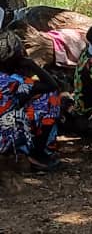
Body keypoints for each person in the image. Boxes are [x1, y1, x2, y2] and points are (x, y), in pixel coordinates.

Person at [0, 30, 62, 171]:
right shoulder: (12, 82)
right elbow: (52, 86)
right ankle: (38, 155)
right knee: (49, 98)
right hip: (3, 139)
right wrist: (32, 65)